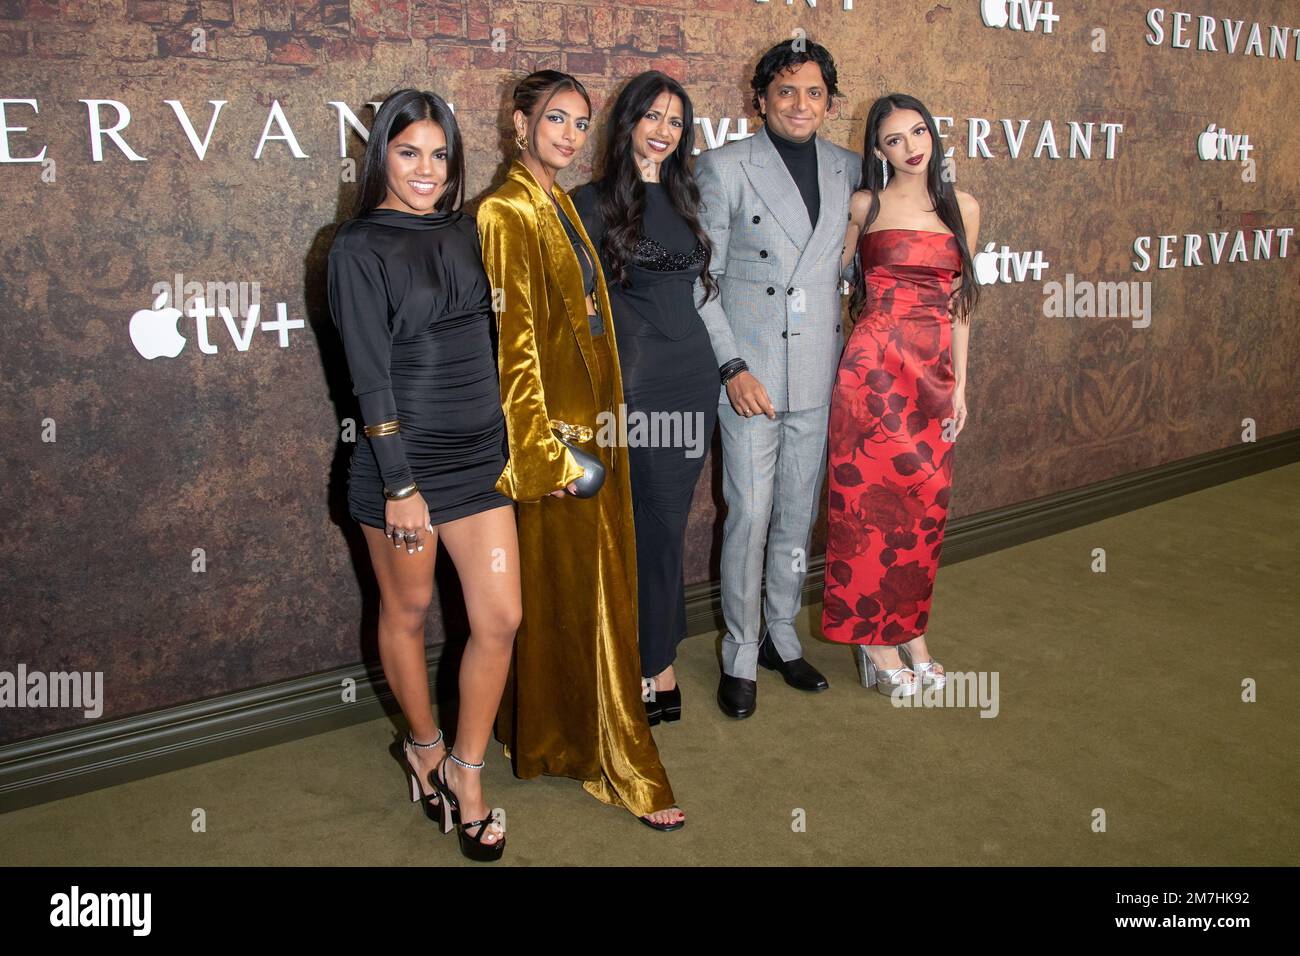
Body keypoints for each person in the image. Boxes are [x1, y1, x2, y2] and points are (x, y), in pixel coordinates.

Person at [476, 70, 685, 830]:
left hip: (594, 422)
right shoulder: (504, 210)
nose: (565, 135)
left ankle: (544, 736)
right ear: (519, 121)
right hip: (557, 443)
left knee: (569, 595)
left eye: (577, 123)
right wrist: (545, 458)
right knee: (583, 597)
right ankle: (613, 757)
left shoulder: (555, 200)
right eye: (553, 119)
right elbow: (514, 347)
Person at [327, 89, 518, 861]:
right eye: (409, 152)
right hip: (401, 470)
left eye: (440, 155)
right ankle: (426, 748)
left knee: (500, 618)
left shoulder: (468, 231)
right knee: (405, 613)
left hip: (479, 462)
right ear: (381, 155)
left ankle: (467, 768)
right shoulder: (356, 248)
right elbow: (369, 380)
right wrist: (400, 485)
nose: (427, 170)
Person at [694, 39, 860, 719]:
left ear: (829, 100)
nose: (800, 104)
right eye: (785, 91)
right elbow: (702, 280)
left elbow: (849, 272)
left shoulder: (851, 169)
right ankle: (739, 651)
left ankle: (781, 636)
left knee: (796, 517)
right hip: (751, 380)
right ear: (759, 99)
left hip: (818, 376)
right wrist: (731, 367)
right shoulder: (724, 168)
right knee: (751, 518)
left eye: (814, 91)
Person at [571, 71, 718, 727]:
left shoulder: (689, 195)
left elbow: (703, 293)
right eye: (652, 116)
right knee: (633, 526)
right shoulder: (588, 202)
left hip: (694, 376)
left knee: (669, 522)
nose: (663, 130)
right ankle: (636, 661)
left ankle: (656, 657)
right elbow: (573, 309)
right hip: (633, 383)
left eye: (676, 121)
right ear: (627, 120)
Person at [822, 93, 981, 695]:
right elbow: (828, 275)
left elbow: (961, 305)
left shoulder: (963, 207)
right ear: (878, 150)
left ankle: (909, 629)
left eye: (918, 132)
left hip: (933, 375)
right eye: (894, 139)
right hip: (873, 372)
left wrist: (961, 384)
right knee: (865, 508)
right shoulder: (866, 203)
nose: (912, 147)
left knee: (924, 507)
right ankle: (872, 638)